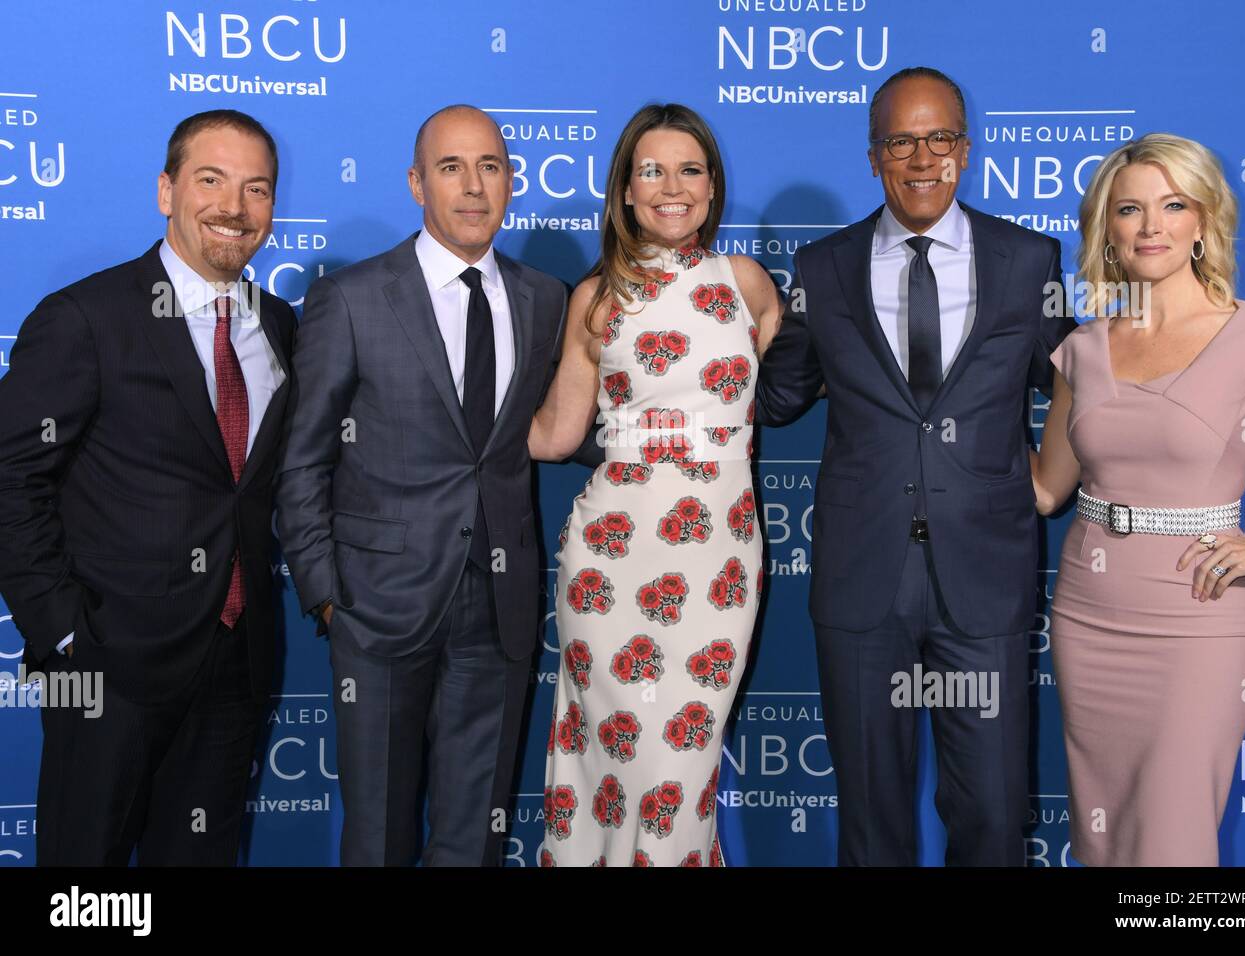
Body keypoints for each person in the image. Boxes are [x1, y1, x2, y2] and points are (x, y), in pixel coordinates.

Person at [755, 67, 1074, 866]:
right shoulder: (822, 269)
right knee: (871, 822)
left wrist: (1053, 480)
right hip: (863, 579)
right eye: (901, 141)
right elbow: (778, 396)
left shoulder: (1029, 259)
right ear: (873, 157)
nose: (921, 158)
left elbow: (1073, 379)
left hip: (987, 574)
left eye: (939, 139)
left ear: (966, 150)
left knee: (996, 816)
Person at [0, 109, 295, 865]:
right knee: (83, 884)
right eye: (211, 180)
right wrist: (65, 636)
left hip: (235, 660)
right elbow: (11, 478)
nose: (234, 207)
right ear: (166, 192)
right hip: (102, 667)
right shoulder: (86, 318)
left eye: (256, 189)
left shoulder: (283, 327)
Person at [276, 105, 567, 866]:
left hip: (499, 607)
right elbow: (303, 458)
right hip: (377, 606)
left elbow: (553, 432)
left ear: (511, 181)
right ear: (416, 183)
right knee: (378, 836)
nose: (474, 187)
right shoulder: (352, 297)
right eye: (451, 167)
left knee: (475, 836)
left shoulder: (545, 299)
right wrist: (327, 593)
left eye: (491, 167)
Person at [1031, 133, 1245, 866]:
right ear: (1107, 229)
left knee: (1172, 845)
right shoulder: (1083, 349)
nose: (1151, 225)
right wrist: (934, 409)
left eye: (1172, 204)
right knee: (1107, 842)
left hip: (1200, 618)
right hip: (1089, 616)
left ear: (1204, 221)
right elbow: (1047, 488)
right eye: (1130, 209)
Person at [529, 103, 781, 867]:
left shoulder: (748, 285)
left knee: (682, 763)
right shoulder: (596, 297)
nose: (673, 187)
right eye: (652, 171)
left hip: (717, 564)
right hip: (611, 558)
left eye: (690, 169)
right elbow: (557, 435)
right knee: (605, 759)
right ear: (626, 192)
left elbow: (752, 407)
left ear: (712, 184)